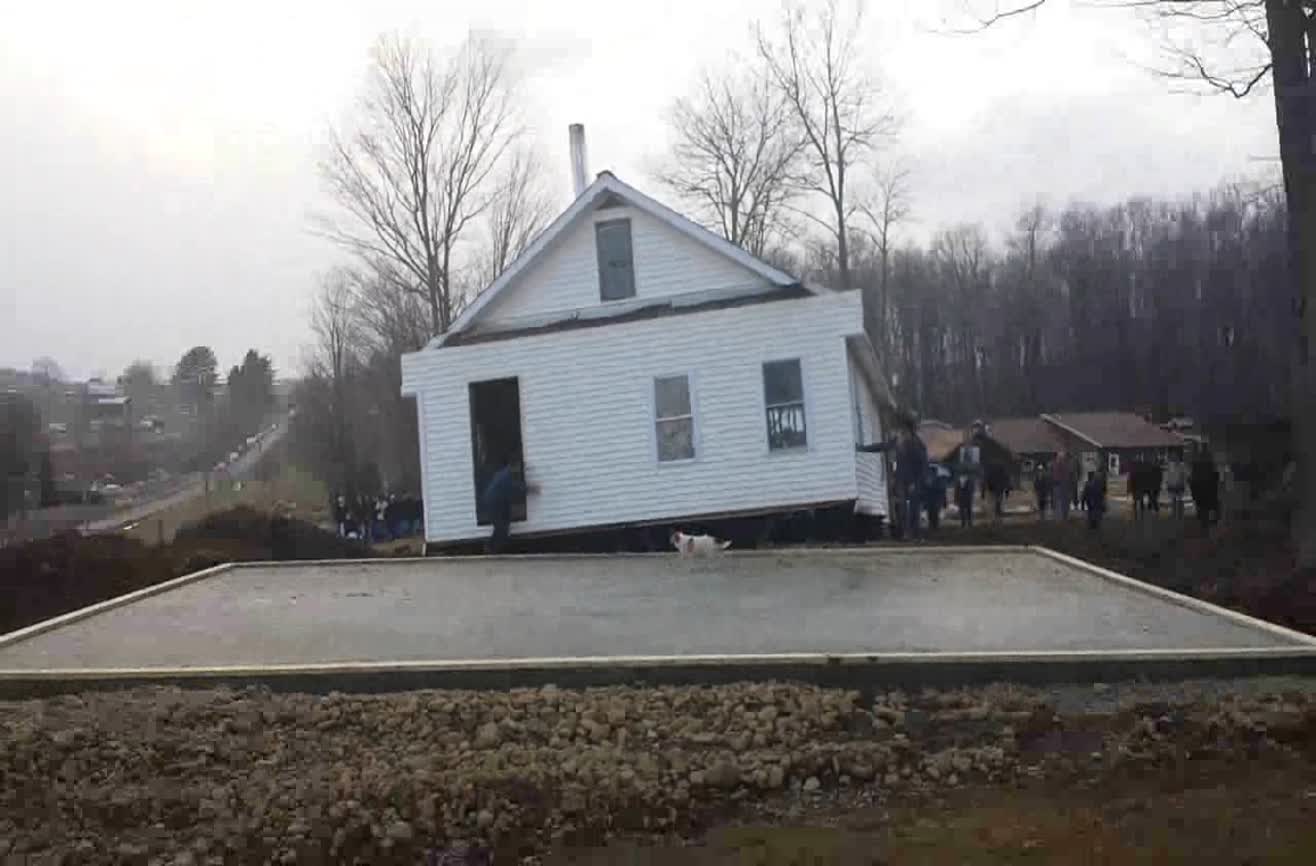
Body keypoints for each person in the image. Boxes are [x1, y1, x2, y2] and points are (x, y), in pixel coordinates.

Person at [481, 458, 538, 554]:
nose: (520, 470)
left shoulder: (505, 473)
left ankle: (490, 548)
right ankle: (491, 550)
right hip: (494, 504)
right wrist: (530, 489)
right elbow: (515, 488)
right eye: (520, 468)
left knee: (501, 527)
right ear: (514, 466)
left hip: (497, 503)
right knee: (502, 529)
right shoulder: (506, 477)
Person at [895, 425, 928, 540]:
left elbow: (922, 466)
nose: (899, 436)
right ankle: (906, 532)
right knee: (903, 508)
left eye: (902, 433)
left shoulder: (915, 447)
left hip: (913, 482)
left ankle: (916, 533)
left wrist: (916, 482)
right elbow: (882, 446)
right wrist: (863, 449)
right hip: (901, 481)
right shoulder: (899, 444)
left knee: (913, 508)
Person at [1190, 454, 1220, 530]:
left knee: (1203, 512)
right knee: (1209, 513)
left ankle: (1204, 526)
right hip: (1210, 495)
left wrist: (1194, 495)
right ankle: (1210, 526)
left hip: (1201, 495)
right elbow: (1216, 480)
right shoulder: (1212, 467)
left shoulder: (1196, 467)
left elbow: (1193, 482)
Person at [924, 464, 947, 532]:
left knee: (935, 512)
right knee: (931, 513)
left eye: (932, 470)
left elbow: (942, 490)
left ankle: (935, 526)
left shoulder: (940, 479)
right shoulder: (928, 479)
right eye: (930, 470)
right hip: (931, 499)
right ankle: (932, 525)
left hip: (936, 499)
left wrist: (944, 500)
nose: (931, 472)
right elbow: (925, 490)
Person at [1051, 451, 1073, 520]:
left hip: (1062, 485)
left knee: (1063, 502)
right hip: (1059, 485)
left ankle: (1063, 517)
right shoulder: (1057, 464)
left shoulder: (1063, 465)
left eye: (1062, 457)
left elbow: (1067, 475)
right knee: (1060, 502)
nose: (1060, 459)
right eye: (1059, 457)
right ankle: (1061, 517)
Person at [1165, 455, 1188, 519]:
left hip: (1176, 485)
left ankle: (1176, 513)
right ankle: (1178, 513)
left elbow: (1169, 476)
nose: (1174, 459)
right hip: (1176, 485)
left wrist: (1167, 484)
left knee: (1176, 499)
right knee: (1177, 499)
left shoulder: (1173, 465)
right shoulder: (1180, 465)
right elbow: (1184, 475)